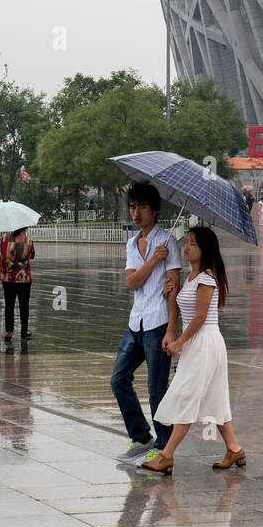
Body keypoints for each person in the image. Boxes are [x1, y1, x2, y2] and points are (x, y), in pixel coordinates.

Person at [143, 226, 244, 474]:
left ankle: (166, 455)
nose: (186, 247)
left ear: (204, 250)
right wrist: (170, 295)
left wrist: (179, 342)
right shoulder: (190, 278)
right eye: (186, 242)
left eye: (192, 244)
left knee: (187, 395)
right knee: (215, 397)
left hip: (205, 343)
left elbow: (200, 317)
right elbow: (185, 313)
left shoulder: (207, 279)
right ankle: (234, 449)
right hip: (196, 343)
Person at [112, 182, 183, 467]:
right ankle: (141, 437)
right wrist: (153, 260)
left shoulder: (170, 243)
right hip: (136, 322)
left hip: (158, 323)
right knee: (118, 379)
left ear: (155, 210)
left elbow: (173, 288)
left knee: (157, 389)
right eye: (132, 207)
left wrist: (171, 331)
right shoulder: (133, 244)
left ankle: (164, 448)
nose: (136, 212)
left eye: (142, 207)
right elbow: (131, 283)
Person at [0, 226, 35, 341]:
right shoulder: (28, 240)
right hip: (23, 277)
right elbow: (32, 255)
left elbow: (2, 253)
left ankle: (9, 331)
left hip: (8, 277)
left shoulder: (4, 238)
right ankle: (24, 330)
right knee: (24, 305)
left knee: (9, 305)